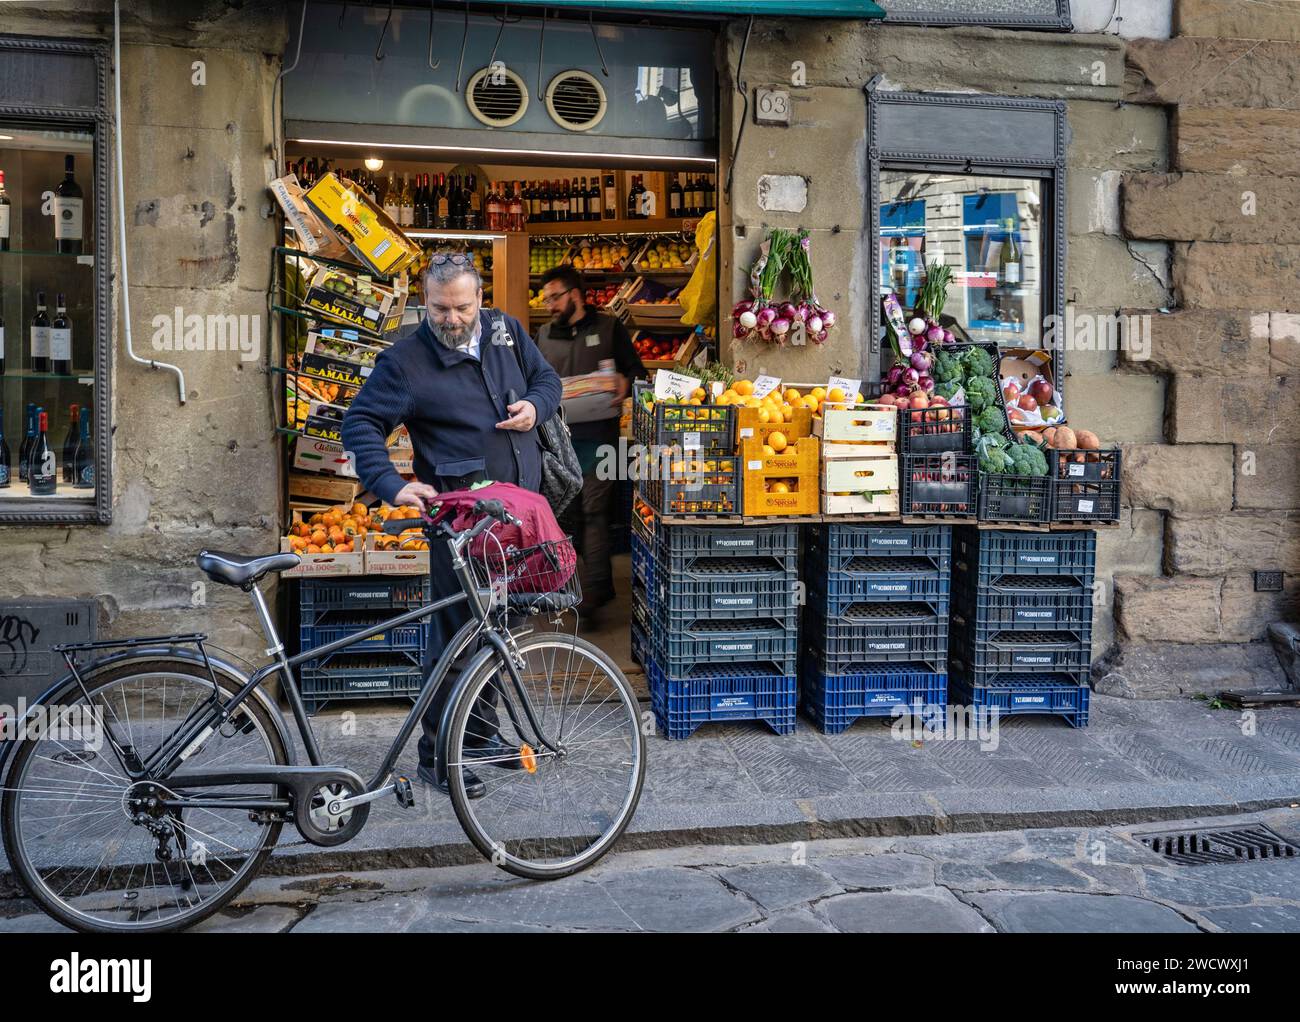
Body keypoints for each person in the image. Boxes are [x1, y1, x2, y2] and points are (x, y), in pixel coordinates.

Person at [341, 252, 562, 800]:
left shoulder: (508, 332)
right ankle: (437, 757)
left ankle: (480, 737)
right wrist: (393, 486)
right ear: (425, 301)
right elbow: (361, 422)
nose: (451, 318)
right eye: (439, 308)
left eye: (462, 307)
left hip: (517, 519)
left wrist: (536, 407)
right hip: (461, 524)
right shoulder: (406, 361)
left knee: (495, 633)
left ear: (480, 300)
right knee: (455, 638)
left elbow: (548, 379)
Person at [534, 265, 645, 624]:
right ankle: (598, 582)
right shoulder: (544, 336)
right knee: (570, 516)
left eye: (555, 297)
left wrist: (622, 385)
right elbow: (533, 380)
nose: (549, 305)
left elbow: (636, 371)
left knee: (595, 512)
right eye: (546, 298)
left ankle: (593, 595)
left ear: (575, 296)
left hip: (600, 440)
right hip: (558, 442)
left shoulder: (609, 328)